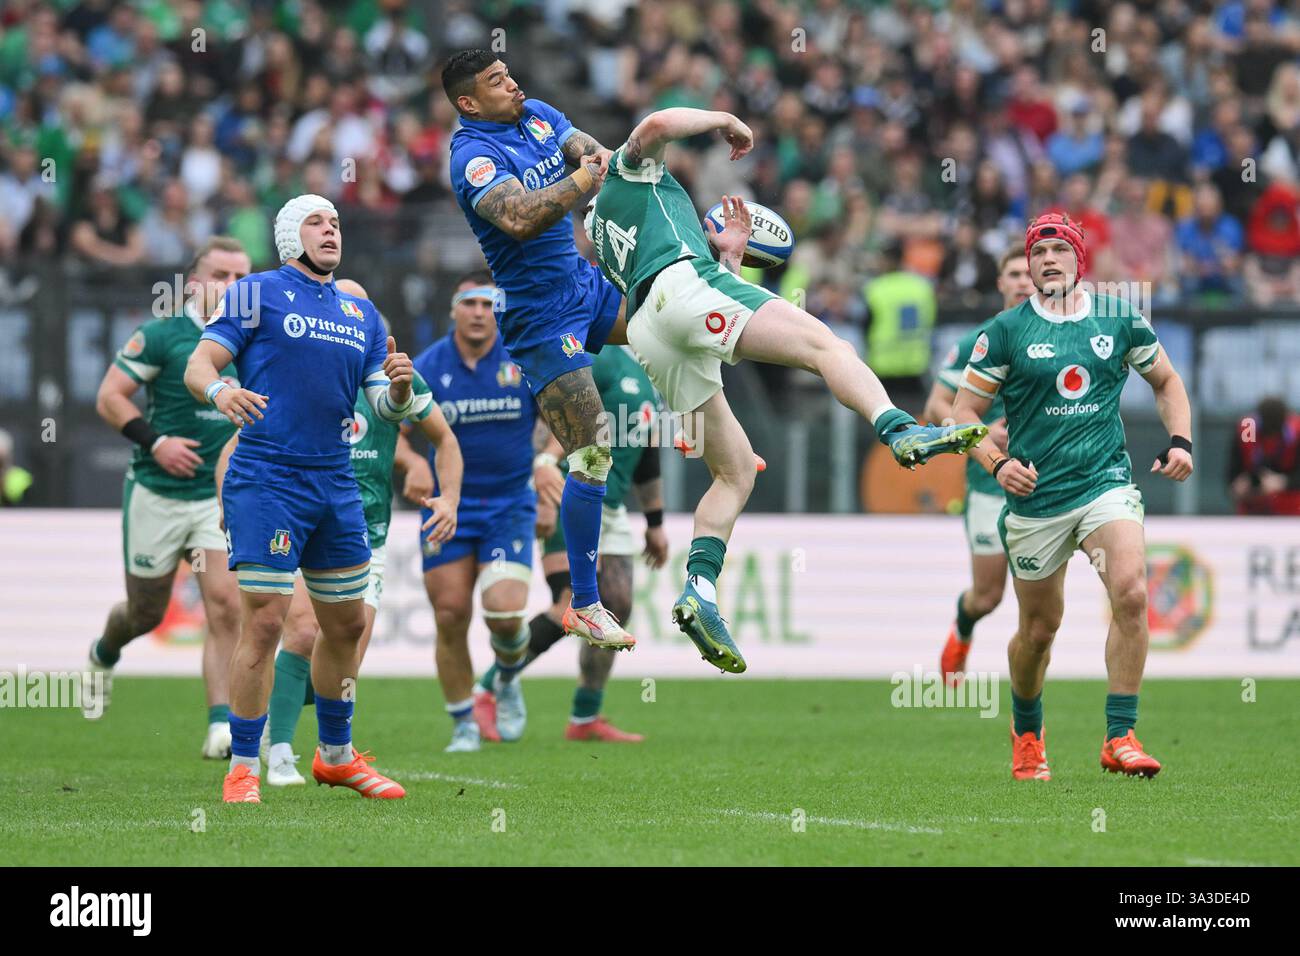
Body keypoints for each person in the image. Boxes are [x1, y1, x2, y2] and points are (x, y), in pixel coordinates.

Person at [586, 106, 987, 674]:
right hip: (683, 286)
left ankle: (699, 588)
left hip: (651, 324)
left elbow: (664, 273)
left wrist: (724, 257)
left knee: (735, 471)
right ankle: (899, 428)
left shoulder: (601, 224)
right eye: (594, 153)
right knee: (828, 348)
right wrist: (725, 118)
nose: (603, 151)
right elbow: (654, 127)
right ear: (597, 170)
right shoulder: (630, 171)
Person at [184, 194, 425, 803]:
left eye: (337, 222)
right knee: (265, 621)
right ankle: (242, 766)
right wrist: (220, 392)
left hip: (334, 481)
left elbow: (381, 405)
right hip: (266, 477)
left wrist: (398, 388)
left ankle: (337, 756)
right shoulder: (254, 292)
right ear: (291, 235)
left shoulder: (359, 312)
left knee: (347, 622)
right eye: (318, 222)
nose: (331, 230)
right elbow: (199, 363)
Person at [952, 213, 1194, 781]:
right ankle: (1028, 732)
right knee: (1038, 632)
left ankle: (1120, 737)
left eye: (1061, 250)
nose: (1049, 260)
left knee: (1132, 592)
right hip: (1037, 503)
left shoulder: (1118, 317)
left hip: (1105, 484)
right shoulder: (1006, 332)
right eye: (1040, 253)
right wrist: (998, 462)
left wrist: (1181, 441)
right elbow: (963, 415)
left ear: (1080, 261)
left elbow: (1167, 382)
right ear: (1029, 266)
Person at [213, 279, 462, 786]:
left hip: (362, 527)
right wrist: (230, 503)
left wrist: (440, 488)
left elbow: (442, 439)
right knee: (297, 628)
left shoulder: (388, 379)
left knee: (345, 640)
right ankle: (276, 751)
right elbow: (235, 446)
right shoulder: (298, 374)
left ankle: (295, 729)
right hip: (288, 508)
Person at [442, 49, 635, 652]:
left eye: (509, 72)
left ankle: (717, 439)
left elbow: (583, 143)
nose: (512, 82)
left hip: (586, 286)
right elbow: (520, 218)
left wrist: (589, 155)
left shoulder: (538, 114)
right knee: (593, 448)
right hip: (540, 317)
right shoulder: (471, 158)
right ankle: (584, 603)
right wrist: (586, 177)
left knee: (672, 324)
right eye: (496, 81)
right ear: (469, 102)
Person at [88, 237, 250, 756]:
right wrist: (155, 442)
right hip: (157, 491)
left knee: (225, 605)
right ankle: (104, 651)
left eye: (240, 277)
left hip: (215, 494)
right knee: (145, 614)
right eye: (220, 275)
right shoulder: (162, 335)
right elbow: (109, 397)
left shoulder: (255, 339)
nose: (231, 286)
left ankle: (220, 726)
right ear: (194, 281)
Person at [475, 344, 668, 743]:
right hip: (571, 493)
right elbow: (556, 406)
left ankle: (584, 717)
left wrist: (655, 521)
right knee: (569, 603)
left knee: (617, 606)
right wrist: (544, 470)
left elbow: (646, 453)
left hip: (611, 507)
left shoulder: (650, 367)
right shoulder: (602, 355)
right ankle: (489, 687)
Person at [412, 272, 543, 752]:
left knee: (505, 615)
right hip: (447, 509)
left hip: (509, 504)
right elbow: (396, 435)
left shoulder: (522, 359)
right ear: (453, 310)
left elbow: (553, 418)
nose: (479, 312)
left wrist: (547, 463)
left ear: (498, 312)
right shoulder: (427, 366)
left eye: (488, 304)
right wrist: (410, 466)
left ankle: (506, 676)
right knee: (450, 615)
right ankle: (464, 722)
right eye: (469, 302)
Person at [923, 247, 1035, 685]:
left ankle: (1030, 704)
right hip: (990, 483)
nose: (1024, 281)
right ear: (1001, 284)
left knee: (1039, 601)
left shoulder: (1068, 337)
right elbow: (936, 406)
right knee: (988, 596)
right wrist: (983, 434)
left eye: (1029, 273)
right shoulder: (978, 342)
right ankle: (963, 628)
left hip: (1048, 485)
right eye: (1014, 274)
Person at [1229, 396, 1300, 515]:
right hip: (1252, 508)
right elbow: (1231, 477)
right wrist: (1238, 485)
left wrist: (1283, 482)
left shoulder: (1296, 434)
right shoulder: (1245, 433)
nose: (1271, 438)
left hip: (1290, 511)